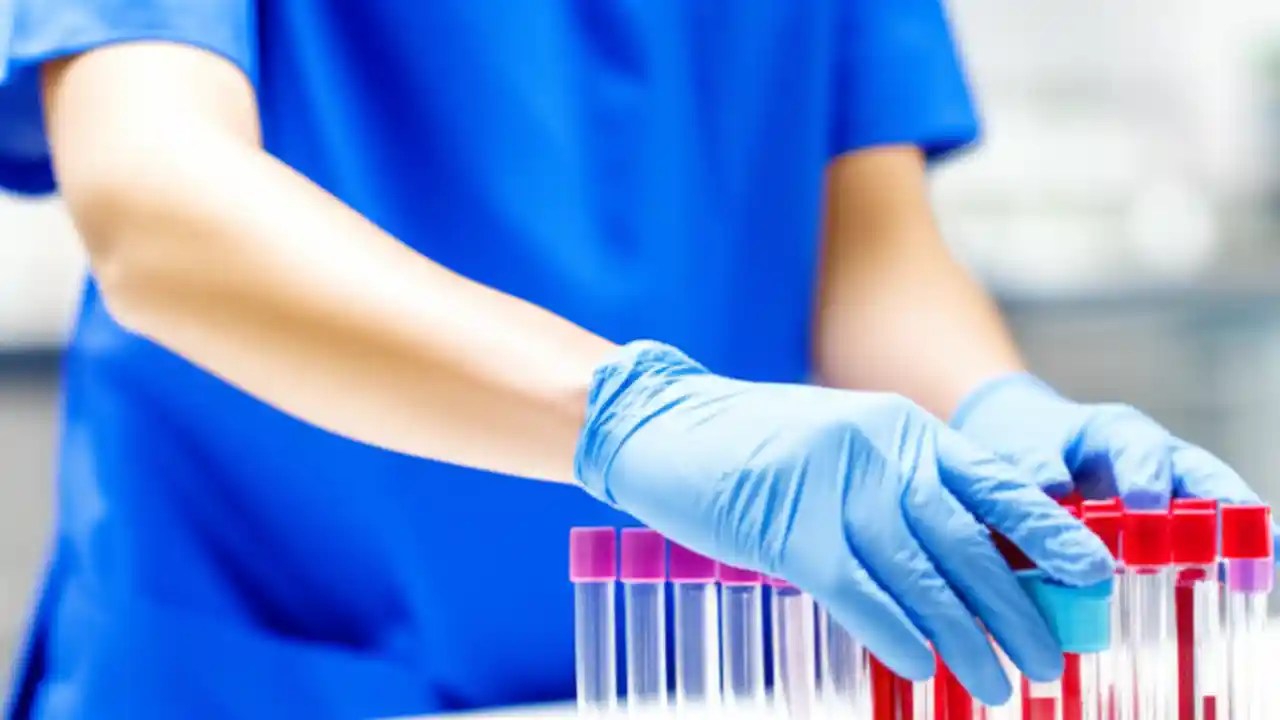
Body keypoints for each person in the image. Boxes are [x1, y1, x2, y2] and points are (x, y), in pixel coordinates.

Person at [0, 2, 1268, 718]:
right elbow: (155, 201)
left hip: (679, 679)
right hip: (265, 661)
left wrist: (994, 413)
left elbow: (864, 251)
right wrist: (628, 417)